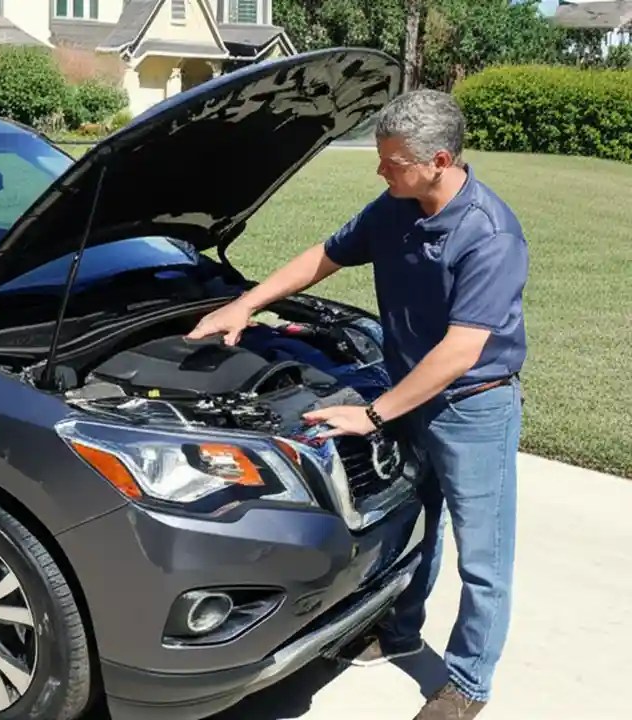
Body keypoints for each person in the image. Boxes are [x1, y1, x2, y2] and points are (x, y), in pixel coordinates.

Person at [187, 89, 527, 720]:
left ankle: (467, 686)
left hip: (472, 409)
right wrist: (245, 304)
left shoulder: (489, 235)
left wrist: (373, 414)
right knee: (415, 524)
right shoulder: (396, 207)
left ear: (440, 160)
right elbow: (325, 255)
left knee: (484, 559)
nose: (380, 170)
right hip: (409, 394)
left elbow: (459, 352)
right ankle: (397, 630)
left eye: (391, 161)